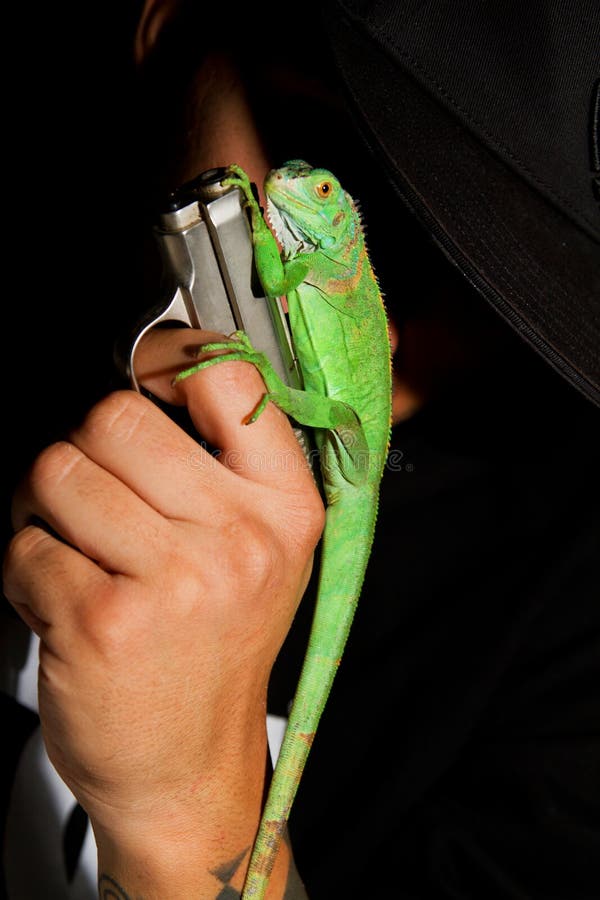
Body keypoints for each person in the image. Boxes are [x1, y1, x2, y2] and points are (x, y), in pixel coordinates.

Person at [2, 1, 599, 897]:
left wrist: (188, 817)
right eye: (337, 145)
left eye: (501, 292)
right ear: (163, 28)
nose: (390, 331)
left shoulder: (564, 615)